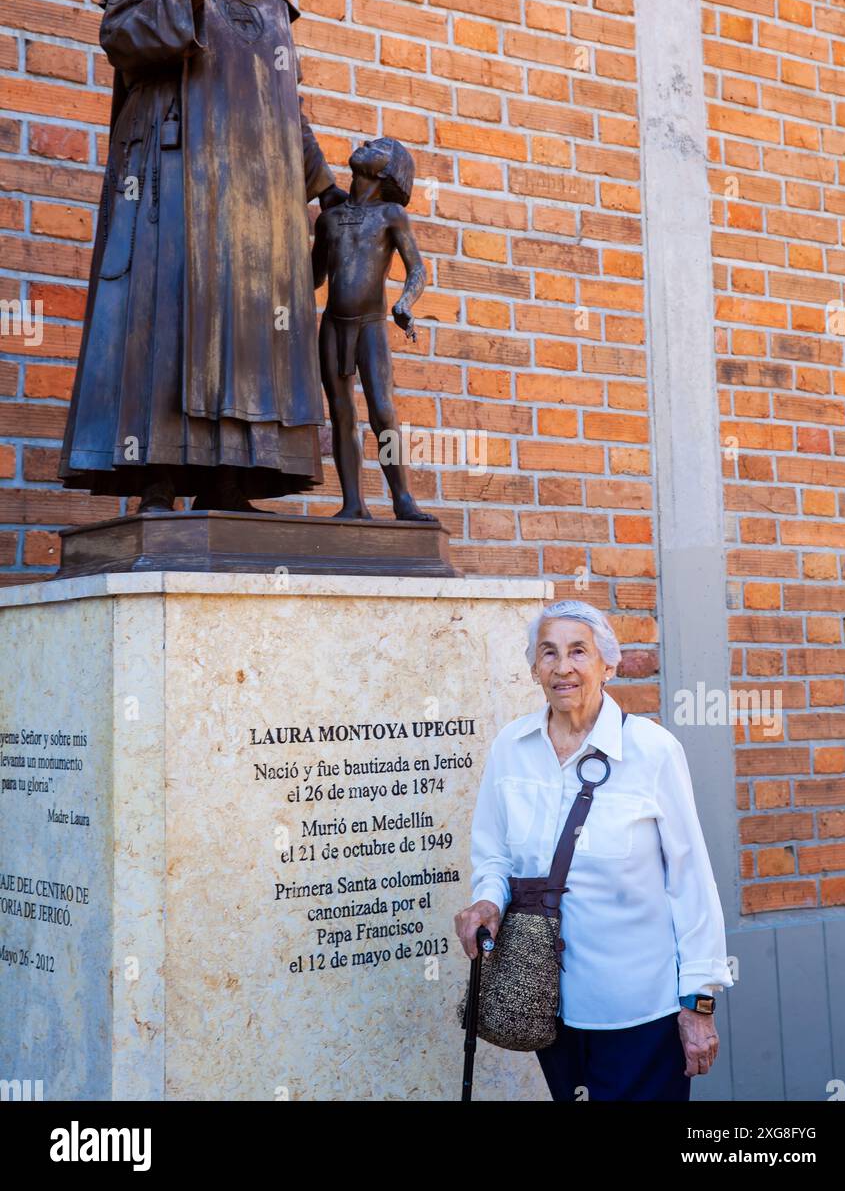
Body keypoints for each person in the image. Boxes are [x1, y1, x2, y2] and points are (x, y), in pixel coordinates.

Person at [59, 0, 347, 513]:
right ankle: (156, 479)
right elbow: (122, 38)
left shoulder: (271, 4)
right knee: (167, 321)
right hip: (176, 182)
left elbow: (286, 104)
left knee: (251, 337)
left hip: (257, 206)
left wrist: (324, 186)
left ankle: (231, 482)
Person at [454, 598, 734, 1101]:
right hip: (547, 1005)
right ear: (534, 667)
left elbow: (690, 882)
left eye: (578, 651)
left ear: (609, 663)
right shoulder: (510, 747)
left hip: (640, 1010)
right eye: (548, 653)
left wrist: (699, 1001)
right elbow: (494, 855)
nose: (563, 667)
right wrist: (487, 900)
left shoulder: (653, 751)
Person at [312, 136, 434, 522]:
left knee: (383, 410)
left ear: (384, 171)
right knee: (341, 413)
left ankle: (402, 499)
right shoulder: (329, 219)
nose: (365, 142)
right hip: (334, 325)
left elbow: (417, 267)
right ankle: (353, 505)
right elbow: (313, 277)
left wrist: (405, 303)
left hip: (370, 326)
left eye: (378, 146)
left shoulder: (391, 216)